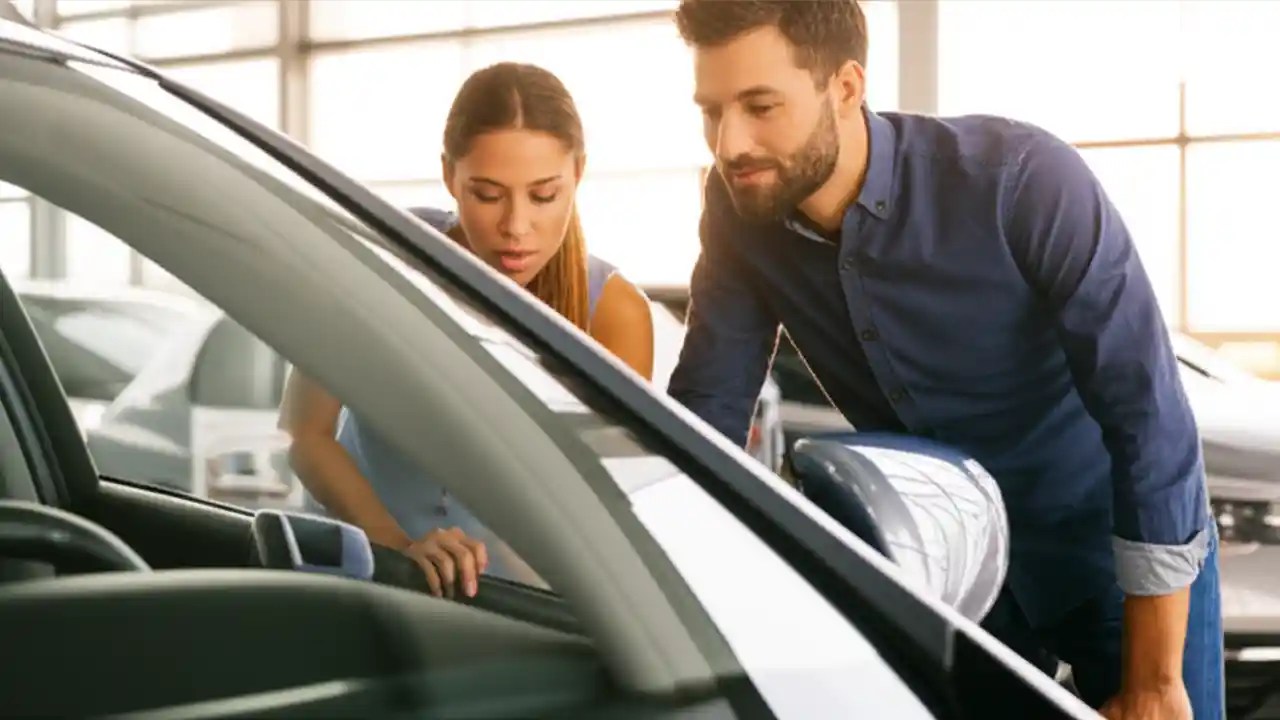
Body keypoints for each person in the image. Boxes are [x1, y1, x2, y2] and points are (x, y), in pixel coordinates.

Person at [666, 2, 1223, 718]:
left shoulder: (1022, 181)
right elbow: (704, 416)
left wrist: (1152, 680)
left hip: (1121, 561)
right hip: (953, 578)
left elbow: (1148, 414)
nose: (730, 143)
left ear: (845, 87)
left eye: (760, 106)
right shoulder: (740, 209)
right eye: (711, 111)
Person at [279, 62, 655, 599]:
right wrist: (397, 549)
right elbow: (304, 434)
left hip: (520, 605)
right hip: (364, 577)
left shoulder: (615, 314)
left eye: (544, 195)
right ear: (449, 175)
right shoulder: (377, 259)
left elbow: (609, 507)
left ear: (579, 173)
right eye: (487, 194)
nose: (516, 227)